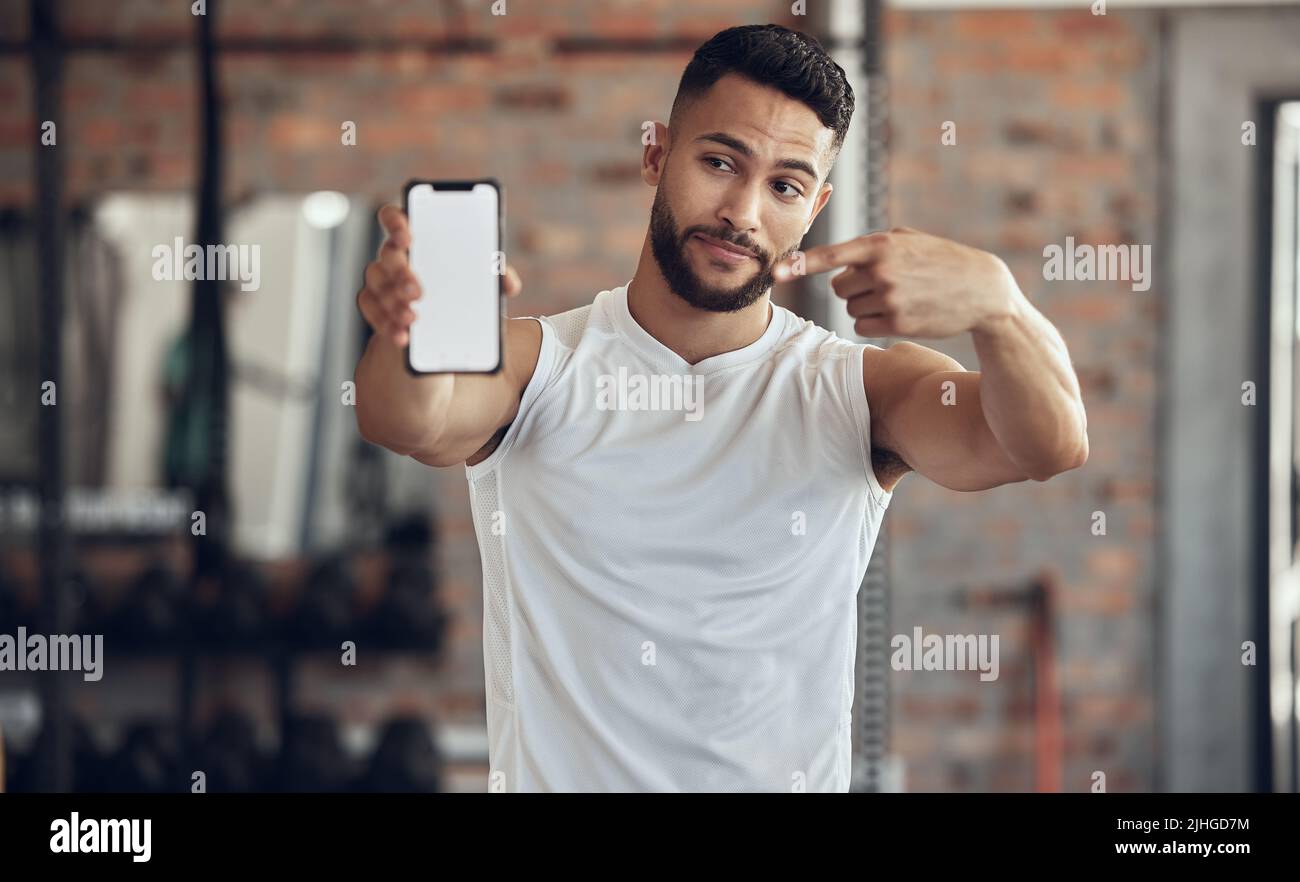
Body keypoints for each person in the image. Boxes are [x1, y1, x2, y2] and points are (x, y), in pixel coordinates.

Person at [353, 24, 1088, 792]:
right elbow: (408, 419)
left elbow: (1045, 446)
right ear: (656, 155)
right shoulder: (540, 368)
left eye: (784, 186)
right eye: (718, 162)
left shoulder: (859, 392)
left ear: (814, 208)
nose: (742, 210)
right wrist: (405, 335)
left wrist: (1000, 307)